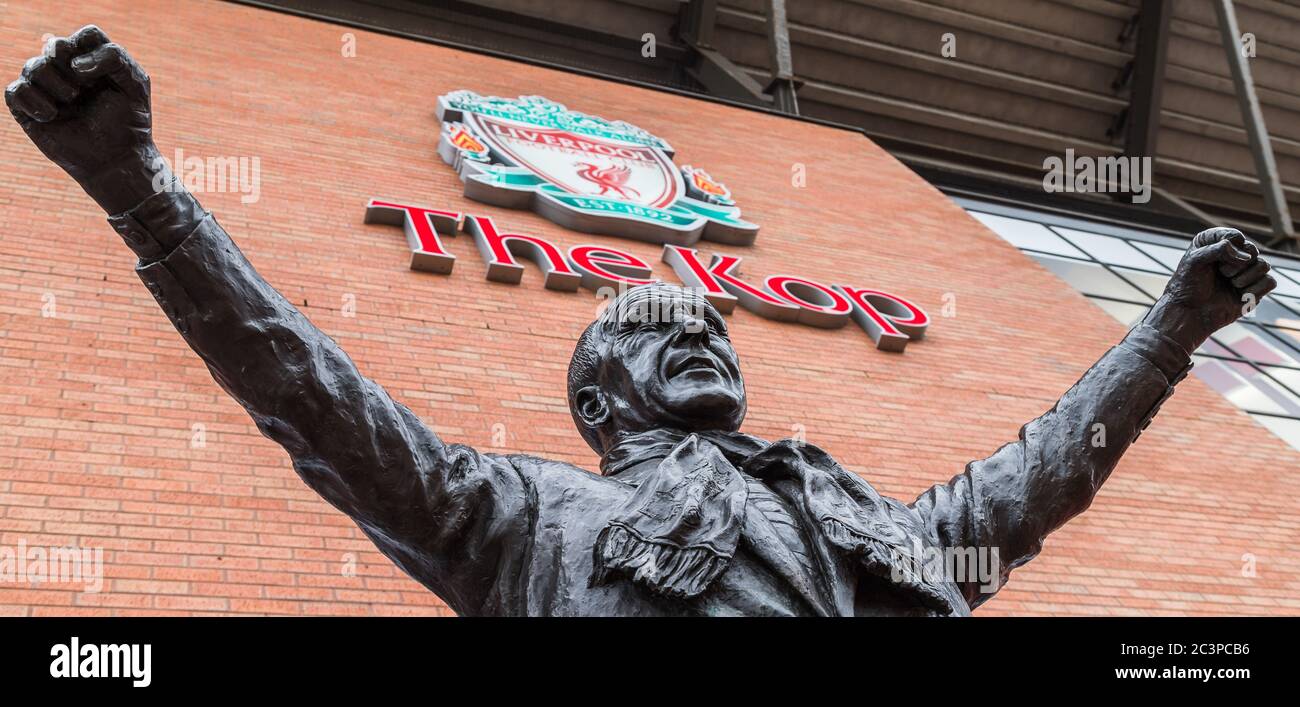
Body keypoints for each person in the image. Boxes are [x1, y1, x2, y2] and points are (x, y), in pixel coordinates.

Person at [6, 26, 1278, 616]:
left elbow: (1036, 477)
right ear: (599, 407)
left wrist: (1169, 330)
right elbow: (312, 393)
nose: (703, 331)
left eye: (712, 326)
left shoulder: (874, 534)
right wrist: (141, 193)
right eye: (654, 327)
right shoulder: (516, 516)